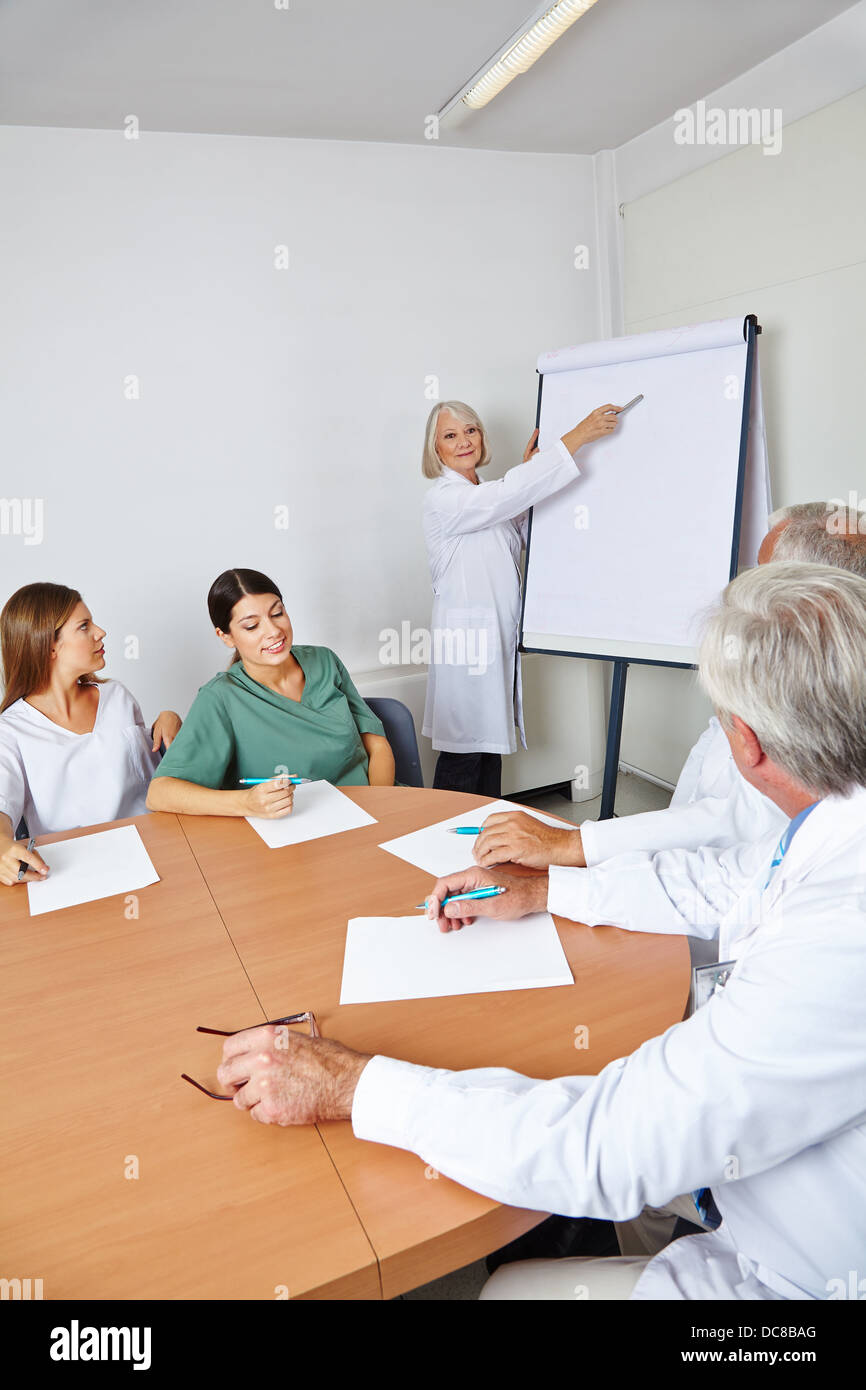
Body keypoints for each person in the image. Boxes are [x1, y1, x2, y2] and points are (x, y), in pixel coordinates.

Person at [214, 563, 866, 1300]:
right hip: (780, 1186)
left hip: (803, 1279)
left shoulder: (838, 942)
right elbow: (723, 879)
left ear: (743, 742)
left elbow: (612, 1144)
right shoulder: (838, 828)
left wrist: (352, 1085)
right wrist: (545, 890)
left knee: (507, 1290)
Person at [471, 502, 866, 933]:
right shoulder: (787, 710)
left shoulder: (820, 780)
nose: (739, 589)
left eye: (759, 575)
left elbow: (732, 829)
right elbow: (724, 873)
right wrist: (547, 889)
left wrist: (574, 847)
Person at [421, 399, 621, 797]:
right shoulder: (445, 498)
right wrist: (578, 435)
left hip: (493, 643)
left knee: (489, 750)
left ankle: (487, 841)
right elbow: (506, 496)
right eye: (450, 435)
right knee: (464, 754)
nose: (463, 441)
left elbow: (518, 519)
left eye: (471, 430)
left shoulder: (486, 495)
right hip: (467, 648)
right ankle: (443, 846)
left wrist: (531, 477)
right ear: (436, 450)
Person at [147, 568, 394, 819]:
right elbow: (160, 793)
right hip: (298, 834)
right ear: (226, 636)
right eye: (252, 626)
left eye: (277, 613)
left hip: (371, 810)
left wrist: (376, 810)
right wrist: (246, 802)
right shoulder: (221, 698)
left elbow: (376, 744)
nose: (274, 630)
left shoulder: (325, 661)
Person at [0, 583, 181, 888]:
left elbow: (147, 771)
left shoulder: (117, 697)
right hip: (73, 874)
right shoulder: (12, 730)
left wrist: (167, 721)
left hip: (157, 851)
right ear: (49, 646)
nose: (100, 632)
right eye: (84, 627)